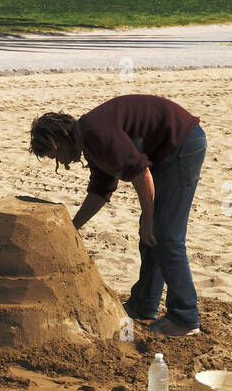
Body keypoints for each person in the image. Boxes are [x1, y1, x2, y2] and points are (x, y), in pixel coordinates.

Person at [30, 95, 207, 337]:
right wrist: (73, 226)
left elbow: (141, 171)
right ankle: (144, 305)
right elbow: (101, 190)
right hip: (169, 149)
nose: (60, 163)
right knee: (151, 235)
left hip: (182, 144)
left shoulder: (95, 132)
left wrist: (148, 216)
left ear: (61, 137)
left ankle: (184, 316)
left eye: (54, 155)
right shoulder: (90, 141)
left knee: (165, 235)